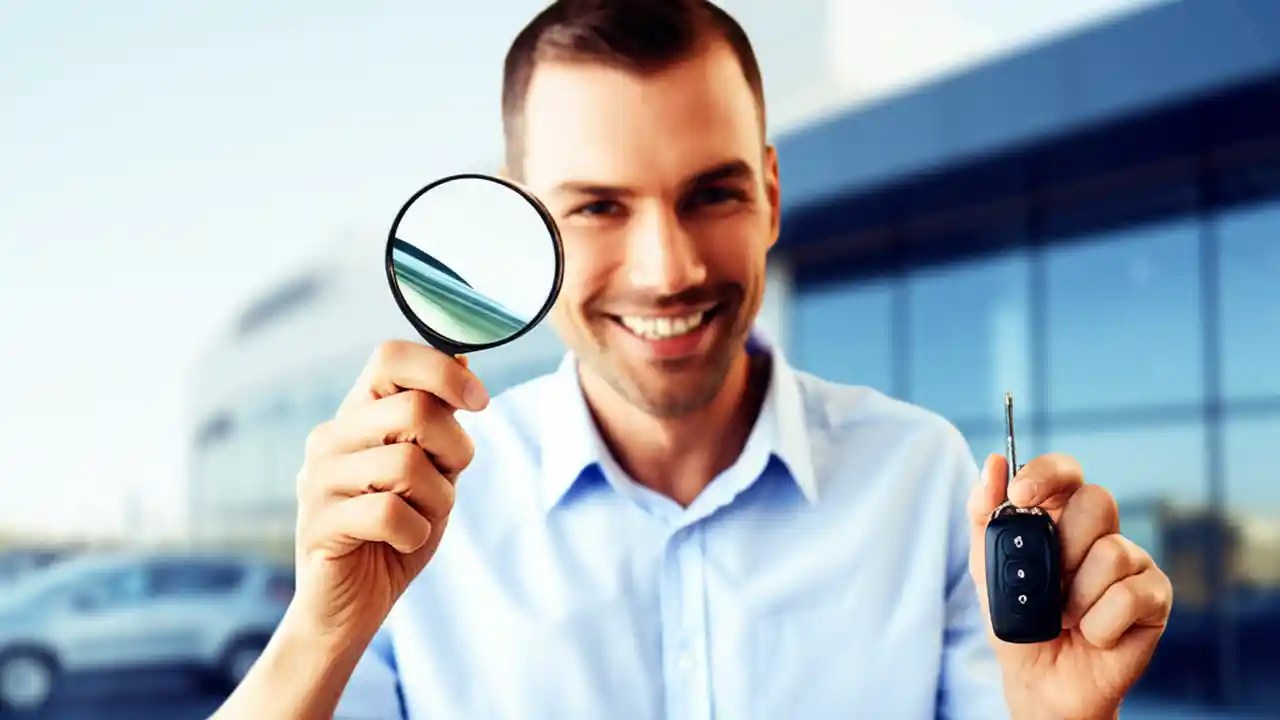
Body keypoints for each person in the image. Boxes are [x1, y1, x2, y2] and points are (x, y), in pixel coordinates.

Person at [213, 1, 1173, 718]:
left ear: (770, 193)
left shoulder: (921, 479)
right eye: (597, 206)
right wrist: (318, 633)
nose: (668, 270)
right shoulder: (416, 521)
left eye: (712, 194)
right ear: (524, 222)